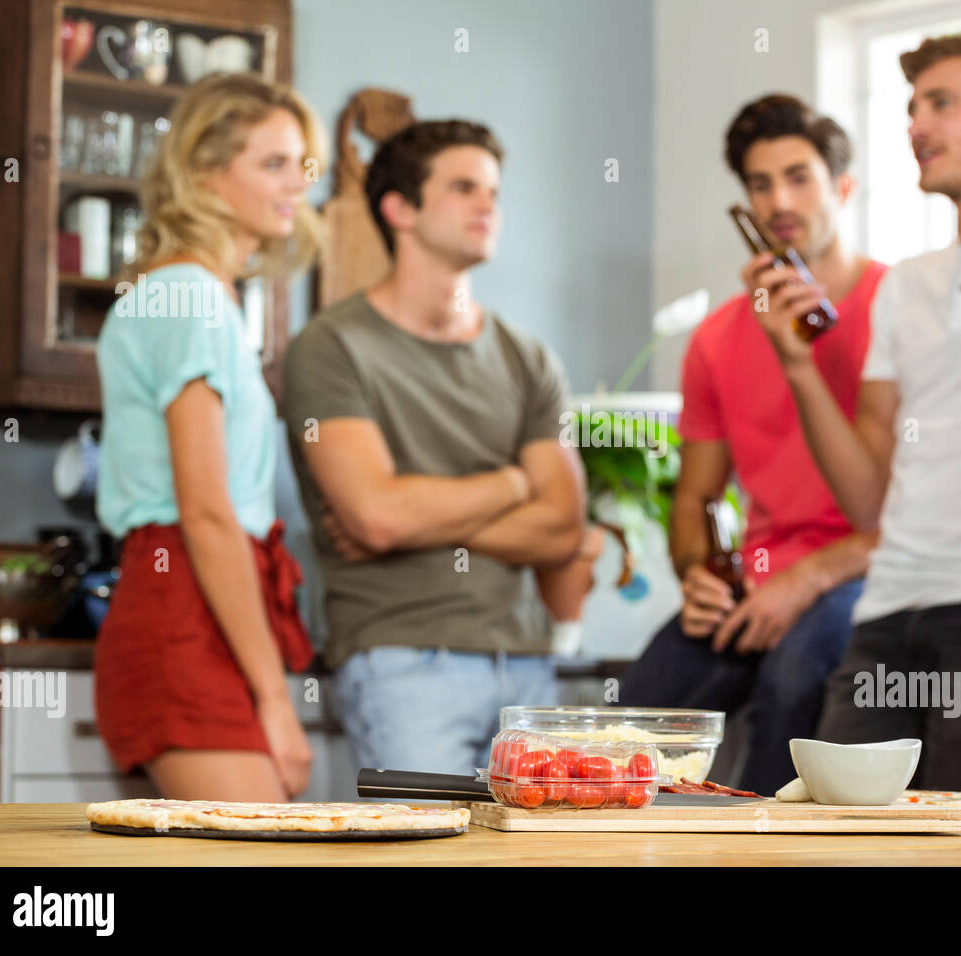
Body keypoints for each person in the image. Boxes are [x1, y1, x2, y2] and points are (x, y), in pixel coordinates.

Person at [755, 34, 961, 792]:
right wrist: (797, 363)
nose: (916, 126)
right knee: (840, 839)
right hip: (890, 607)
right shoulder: (907, 286)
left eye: (941, 104)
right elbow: (868, 495)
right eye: (911, 107)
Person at [282, 119, 595, 776]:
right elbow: (377, 515)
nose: (489, 206)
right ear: (399, 208)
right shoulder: (332, 348)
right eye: (463, 188)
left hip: (527, 668)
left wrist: (411, 515)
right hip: (402, 661)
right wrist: (514, 484)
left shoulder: (528, 358)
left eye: (493, 191)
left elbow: (563, 526)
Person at [619, 95, 885, 796]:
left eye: (799, 177)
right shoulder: (719, 339)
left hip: (865, 572)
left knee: (795, 674)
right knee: (638, 704)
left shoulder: (899, 307)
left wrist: (806, 579)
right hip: (761, 578)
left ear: (844, 188)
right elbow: (696, 500)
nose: (779, 200)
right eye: (760, 184)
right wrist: (697, 575)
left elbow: (912, 512)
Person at [93, 73, 325, 801]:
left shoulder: (200, 296)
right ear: (203, 175)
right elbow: (208, 513)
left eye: (301, 164)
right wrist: (277, 702)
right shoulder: (189, 296)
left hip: (206, 601)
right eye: (273, 163)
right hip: (184, 600)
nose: (298, 184)